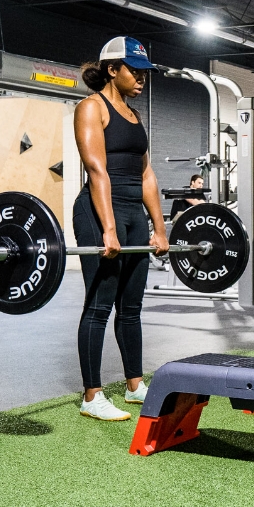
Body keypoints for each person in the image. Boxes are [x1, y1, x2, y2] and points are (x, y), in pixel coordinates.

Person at [73, 36, 169, 422]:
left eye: (145, 72)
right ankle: (92, 395)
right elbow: (96, 170)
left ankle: (134, 386)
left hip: (133, 214)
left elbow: (146, 173)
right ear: (112, 70)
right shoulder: (90, 108)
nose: (142, 78)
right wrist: (108, 229)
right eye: (135, 70)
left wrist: (159, 229)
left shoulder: (133, 115)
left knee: (132, 306)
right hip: (99, 213)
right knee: (99, 305)